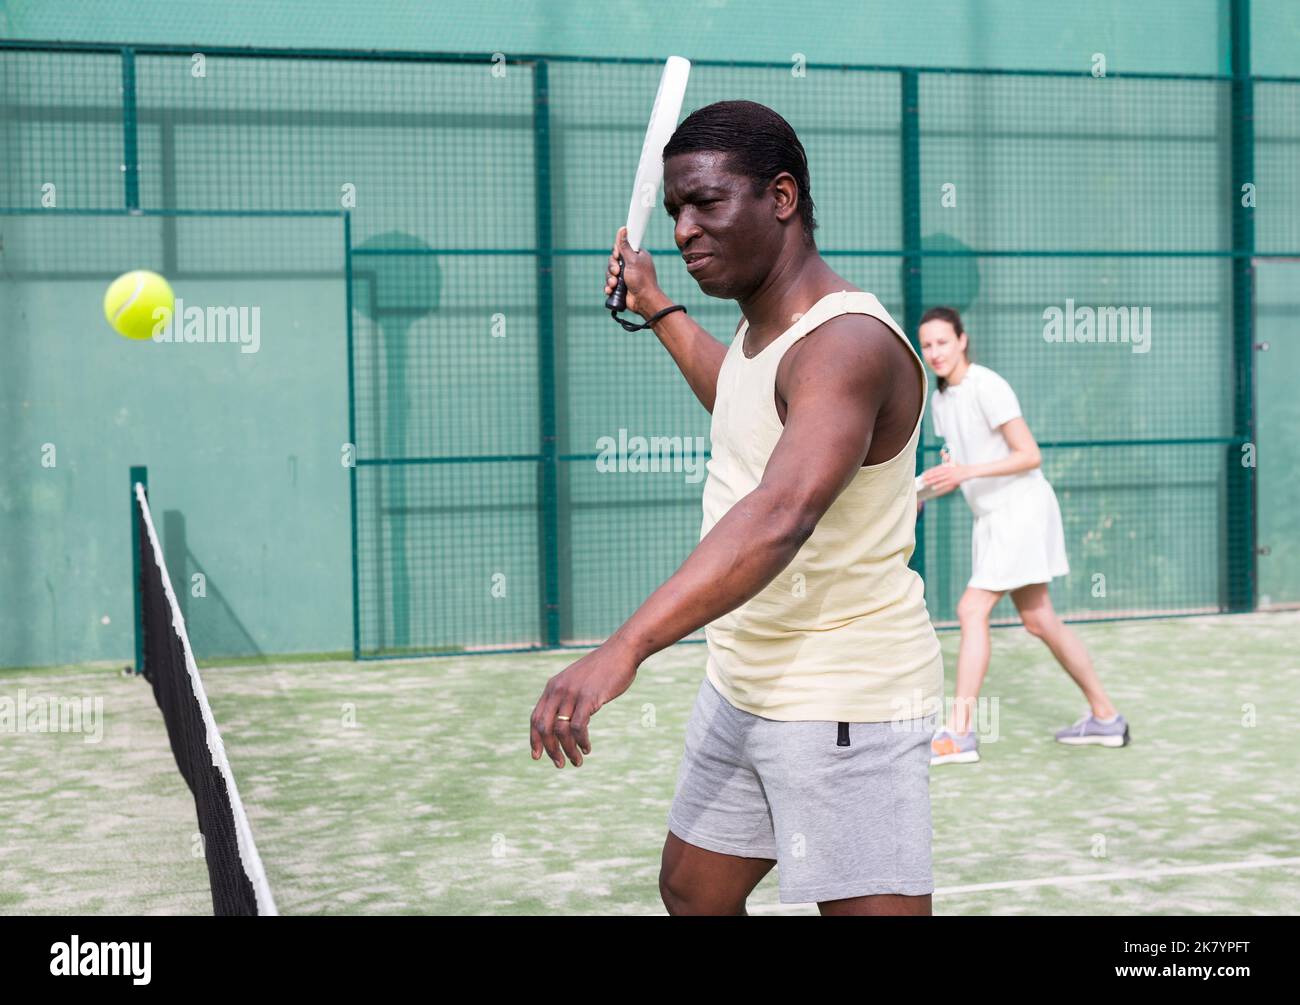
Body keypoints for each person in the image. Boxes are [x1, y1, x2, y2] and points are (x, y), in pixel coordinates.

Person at [528, 100, 944, 916]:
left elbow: (783, 509)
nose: (683, 229)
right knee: (691, 891)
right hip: (743, 683)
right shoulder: (769, 337)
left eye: (707, 203)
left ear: (781, 197)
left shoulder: (846, 343)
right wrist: (655, 305)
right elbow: (744, 404)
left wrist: (625, 647)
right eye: (675, 208)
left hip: (840, 702)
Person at [916, 306, 1130, 766]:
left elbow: (1029, 455)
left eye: (942, 342)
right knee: (1039, 620)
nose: (934, 353)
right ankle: (1106, 717)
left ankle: (959, 733)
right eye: (927, 345)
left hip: (1022, 510)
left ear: (962, 341)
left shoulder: (987, 386)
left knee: (971, 608)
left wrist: (967, 471)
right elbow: (959, 467)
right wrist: (922, 494)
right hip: (992, 518)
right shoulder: (940, 401)